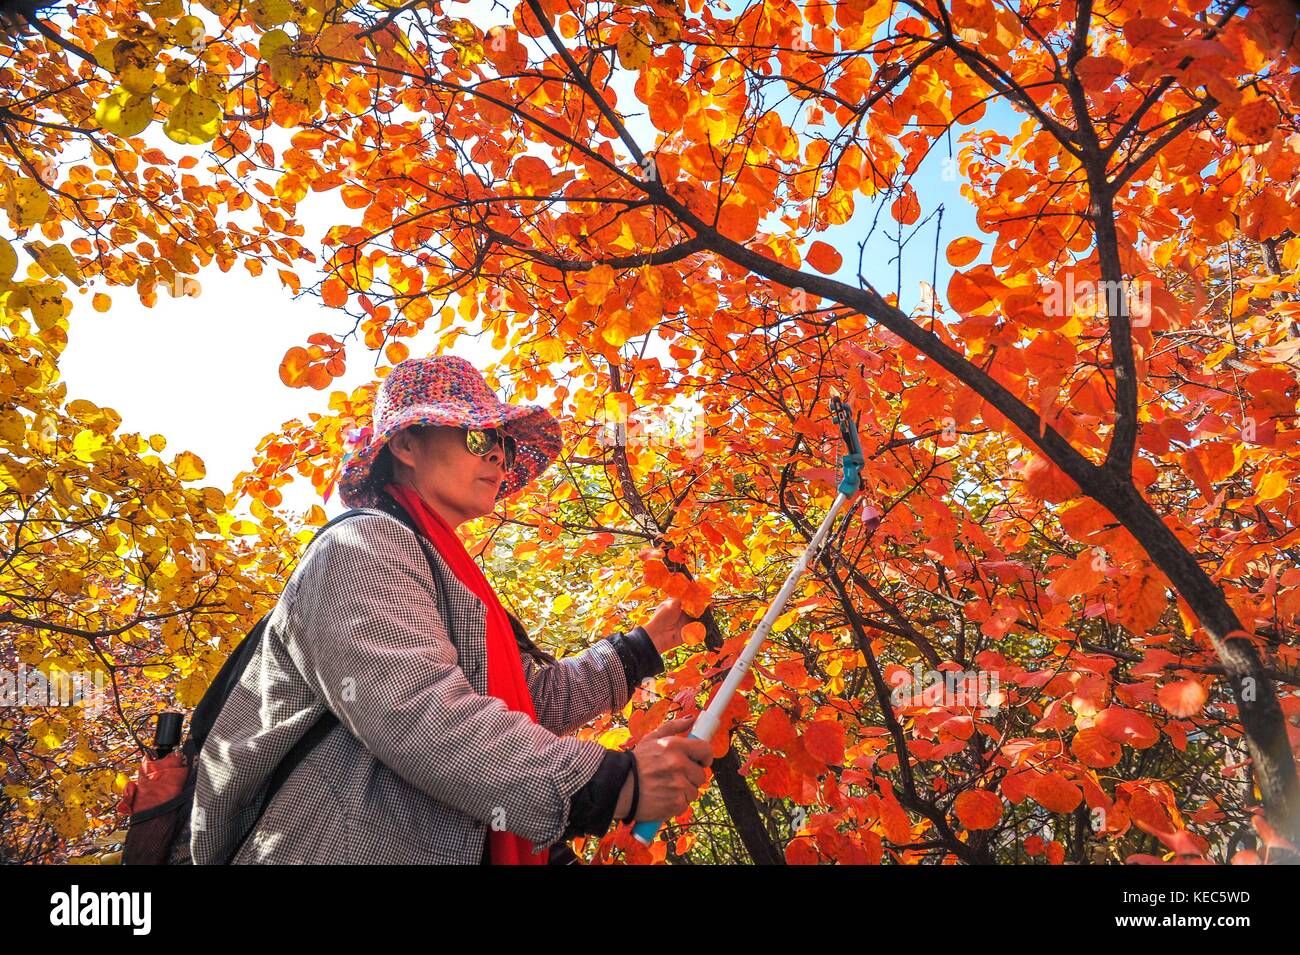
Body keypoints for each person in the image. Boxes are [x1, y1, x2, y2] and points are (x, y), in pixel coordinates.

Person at [190, 354, 713, 864]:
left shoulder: (450, 574)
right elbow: (415, 711)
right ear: (406, 443)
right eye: (479, 437)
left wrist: (647, 643)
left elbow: (530, 702)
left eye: (504, 445)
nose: (499, 457)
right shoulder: (360, 548)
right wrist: (616, 784)